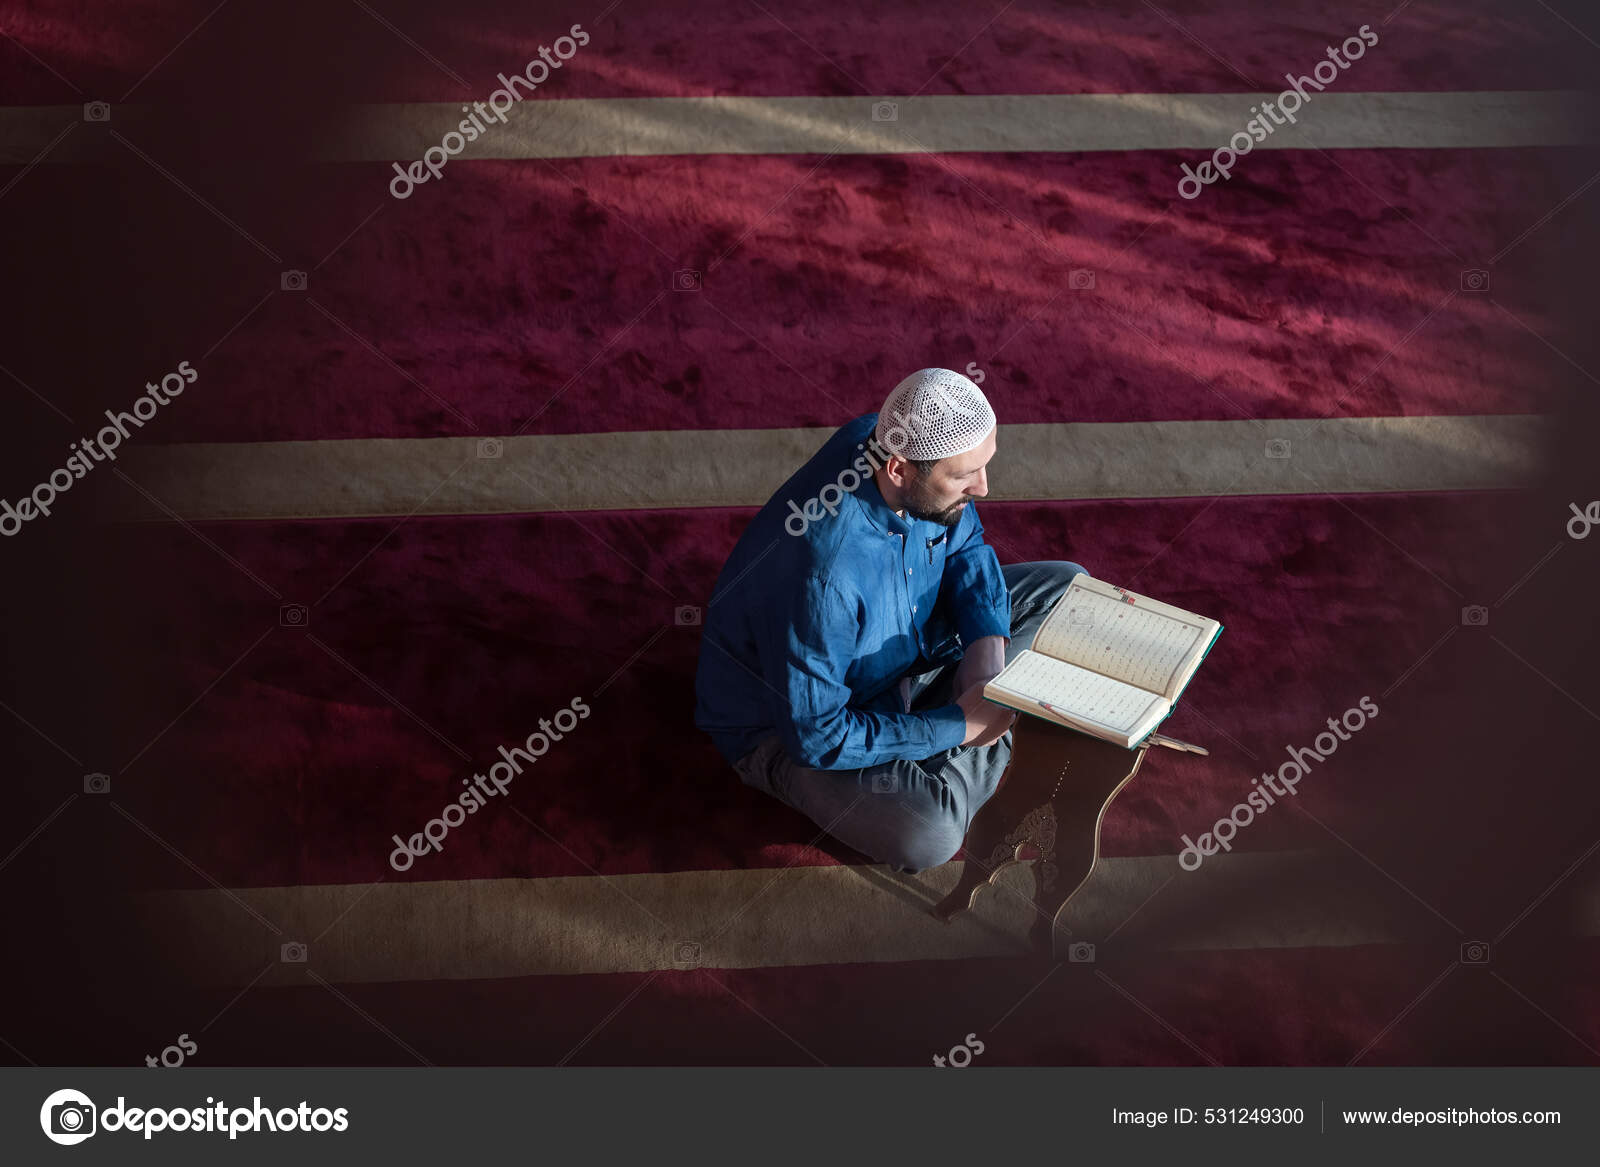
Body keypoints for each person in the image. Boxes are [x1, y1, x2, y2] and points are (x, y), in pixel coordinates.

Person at [694, 368, 1088, 873]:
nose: (984, 487)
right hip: (794, 728)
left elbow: (965, 543)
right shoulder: (824, 578)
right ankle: (990, 724)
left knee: (1070, 589)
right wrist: (958, 725)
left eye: (984, 465)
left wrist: (987, 648)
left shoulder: (888, 438)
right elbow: (818, 737)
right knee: (930, 833)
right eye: (964, 476)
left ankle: (975, 722)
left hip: (904, 649)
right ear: (899, 470)